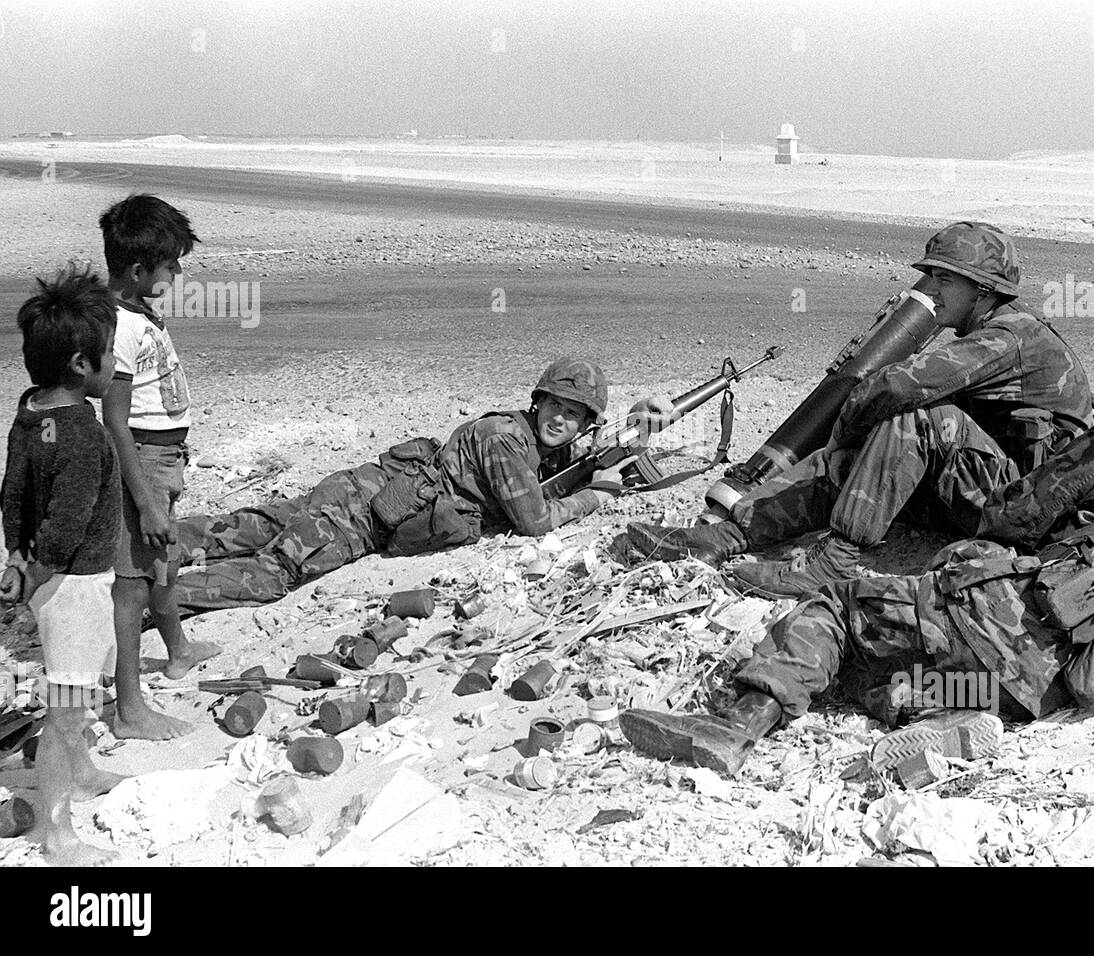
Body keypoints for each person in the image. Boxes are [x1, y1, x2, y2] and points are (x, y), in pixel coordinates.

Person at [618, 314, 1094, 776]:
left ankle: (733, 726)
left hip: (1010, 628)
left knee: (839, 610)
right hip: (1063, 682)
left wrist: (1070, 539)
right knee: (875, 675)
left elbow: (1011, 516)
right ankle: (932, 711)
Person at [625, 221, 1093, 597]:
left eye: (946, 280)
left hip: (1021, 508)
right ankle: (726, 537)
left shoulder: (1009, 336)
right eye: (933, 278)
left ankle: (835, 563)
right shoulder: (995, 331)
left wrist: (845, 427)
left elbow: (901, 384)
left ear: (984, 291)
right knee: (865, 456)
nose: (932, 291)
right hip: (981, 493)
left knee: (914, 418)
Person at [170, 358, 666, 615]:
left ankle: (150, 548)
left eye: (575, 413)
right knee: (273, 574)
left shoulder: (530, 435)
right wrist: (596, 496)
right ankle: (152, 600)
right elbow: (535, 521)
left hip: (362, 489)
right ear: (538, 402)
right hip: (358, 517)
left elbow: (578, 452)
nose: (562, 418)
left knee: (252, 527)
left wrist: (640, 421)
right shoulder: (505, 440)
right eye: (556, 405)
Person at [1, 267, 129, 864]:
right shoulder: (81, 433)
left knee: (82, 685)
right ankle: (55, 830)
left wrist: (18, 558)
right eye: (107, 357)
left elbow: (14, 494)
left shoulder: (30, 416)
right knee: (68, 706)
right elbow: (69, 515)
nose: (114, 368)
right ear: (81, 364)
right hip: (73, 582)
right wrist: (40, 566)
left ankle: (80, 769)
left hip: (54, 578)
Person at [100, 194, 218, 740]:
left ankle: (178, 651)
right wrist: (144, 499)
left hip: (164, 458)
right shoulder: (121, 328)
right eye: (171, 265)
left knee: (163, 563)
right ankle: (129, 710)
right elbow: (115, 421)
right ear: (137, 269)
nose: (178, 273)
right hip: (144, 461)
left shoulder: (139, 311)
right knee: (133, 585)